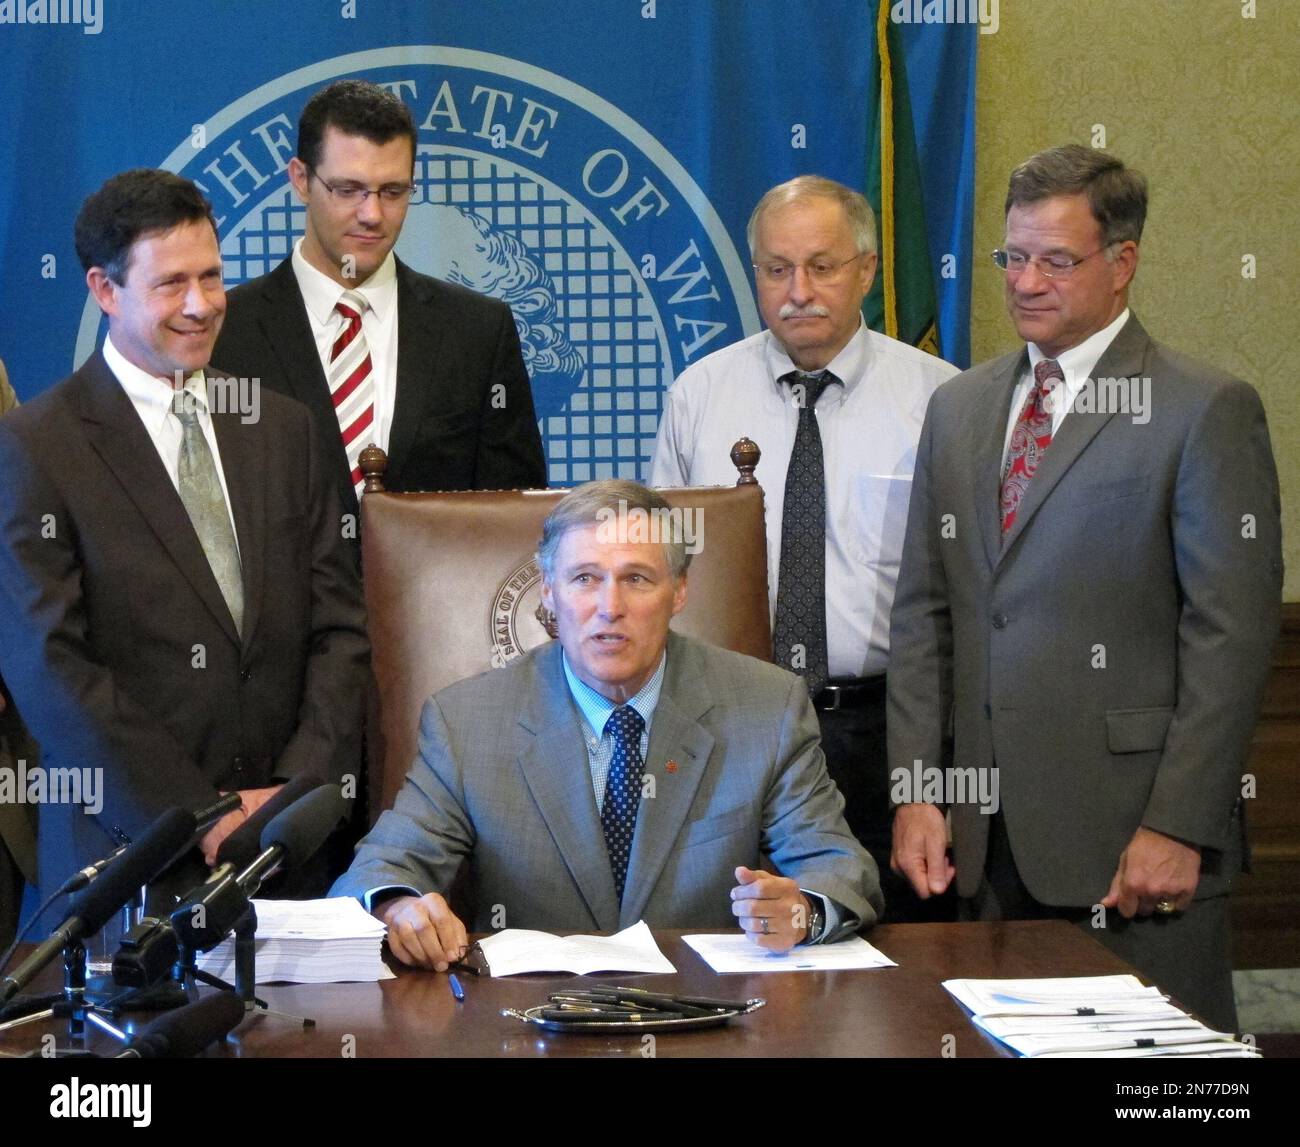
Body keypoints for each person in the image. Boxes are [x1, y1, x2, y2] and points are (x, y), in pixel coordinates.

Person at [887, 145, 1283, 1031]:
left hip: (1133, 846)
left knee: (1153, 1090)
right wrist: (918, 788)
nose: (1025, 281)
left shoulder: (1203, 408)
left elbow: (1231, 635)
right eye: (1011, 257)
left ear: (1123, 263)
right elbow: (926, 610)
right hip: (984, 853)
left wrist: (1180, 825)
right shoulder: (961, 406)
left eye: (1055, 260)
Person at [0, 170, 370, 909]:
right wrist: (197, 814)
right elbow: (50, 666)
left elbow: (341, 630)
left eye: (212, 276)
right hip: (126, 867)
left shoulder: (285, 427)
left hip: (287, 861)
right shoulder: (36, 443)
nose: (202, 305)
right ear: (105, 291)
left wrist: (289, 800)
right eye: (172, 284)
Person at [331, 479, 881, 969]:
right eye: (585, 578)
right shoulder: (467, 721)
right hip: (529, 1023)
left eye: (636, 579)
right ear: (548, 592)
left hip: (705, 1016)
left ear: (679, 593)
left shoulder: (767, 706)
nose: (608, 606)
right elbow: (380, 868)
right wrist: (398, 906)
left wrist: (804, 911)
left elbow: (838, 866)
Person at [650, 176, 958, 912]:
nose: (799, 290)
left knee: (894, 957)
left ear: (868, 270)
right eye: (776, 269)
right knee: (747, 942)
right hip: (733, 728)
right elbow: (661, 575)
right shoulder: (700, 394)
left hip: (885, 730)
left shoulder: (942, 399)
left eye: (822, 266)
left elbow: (963, 596)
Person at [213, 79, 546, 517]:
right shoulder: (225, 332)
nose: (372, 215)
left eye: (392, 191)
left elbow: (516, 516)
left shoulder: (478, 332)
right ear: (300, 180)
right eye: (348, 190)